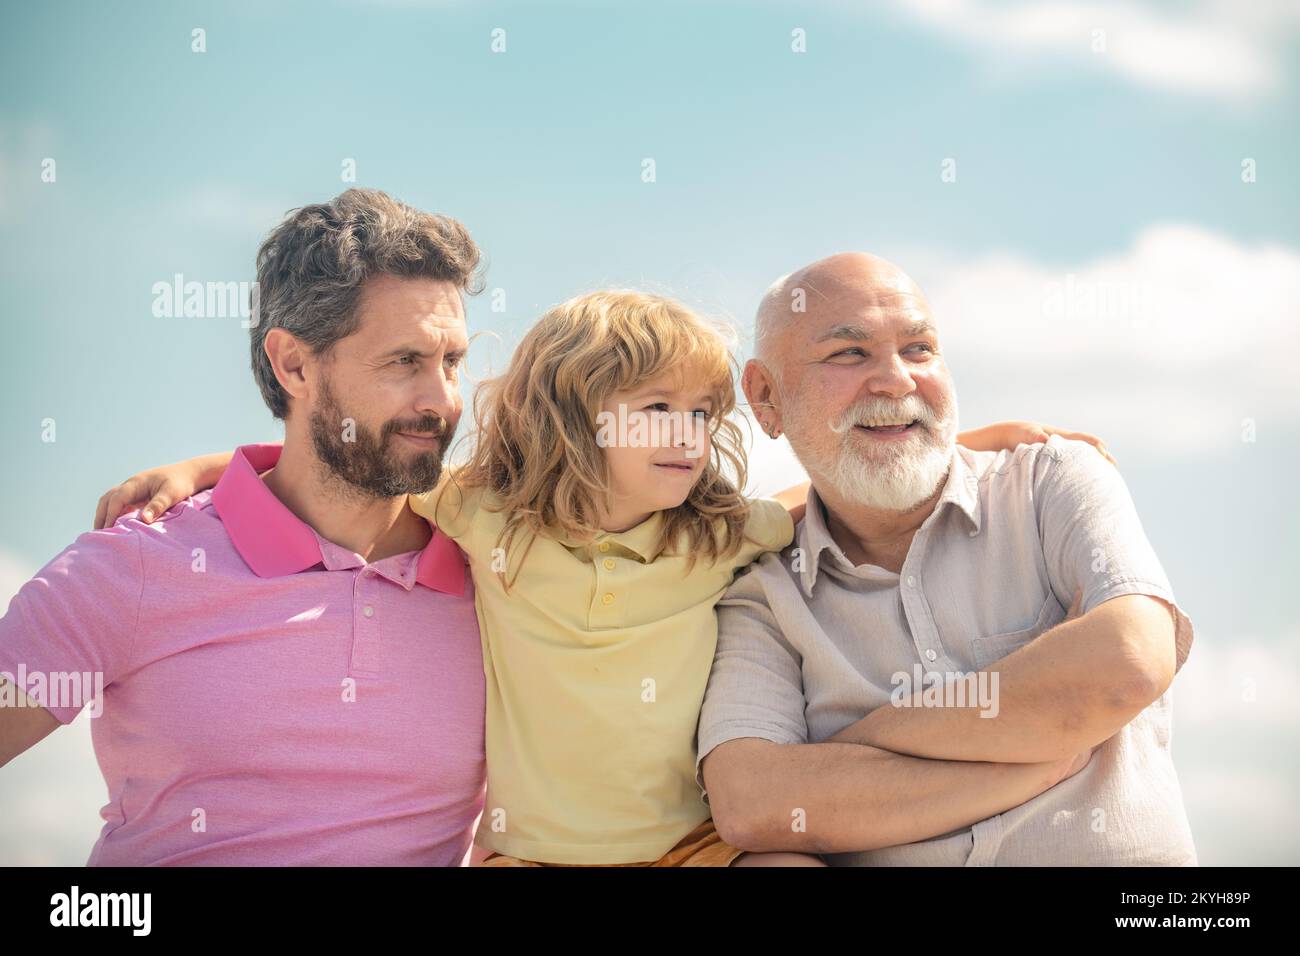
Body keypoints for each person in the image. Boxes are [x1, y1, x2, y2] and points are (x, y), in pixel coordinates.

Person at [85, 283, 1106, 866]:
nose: (690, 436)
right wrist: (208, 468)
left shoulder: (716, 533)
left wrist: (958, 441)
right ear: (577, 417)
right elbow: (345, 474)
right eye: (658, 410)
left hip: (695, 846)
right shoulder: (488, 516)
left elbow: (829, 497)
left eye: (703, 416)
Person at [0, 188, 488, 865]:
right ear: (293, 363)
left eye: (453, 361)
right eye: (404, 361)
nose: (441, 400)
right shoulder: (137, 561)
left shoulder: (499, 574)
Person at [697, 252, 1197, 865]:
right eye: (849, 354)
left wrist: (861, 745)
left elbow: (1129, 662)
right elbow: (753, 801)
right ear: (765, 397)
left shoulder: (1053, 480)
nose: (896, 380)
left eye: (918, 349)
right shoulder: (762, 591)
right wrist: (1018, 762)